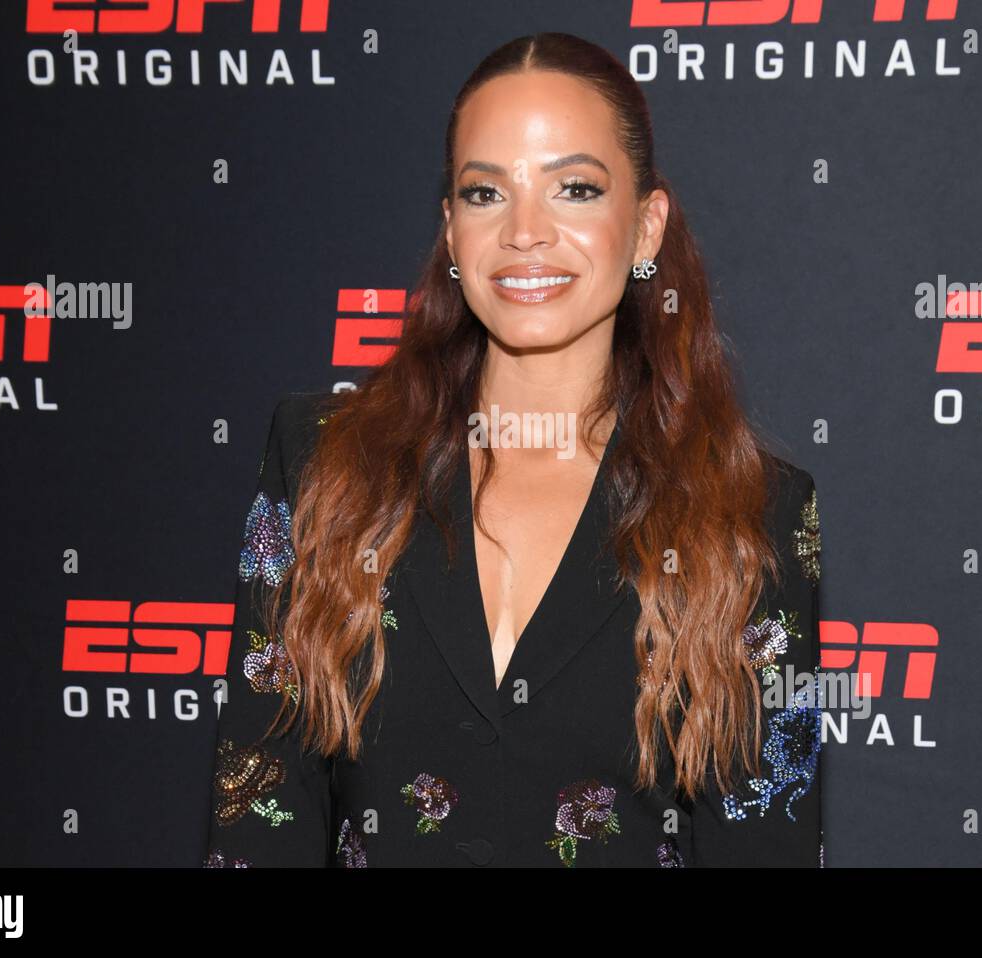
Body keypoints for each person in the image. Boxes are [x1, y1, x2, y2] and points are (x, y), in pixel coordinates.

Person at [202, 32, 824, 868]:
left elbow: (764, 840)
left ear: (645, 229)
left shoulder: (752, 511)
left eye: (573, 188)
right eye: (486, 193)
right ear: (452, 231)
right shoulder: (324, 464)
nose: (526, 232)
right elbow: (258, 812)